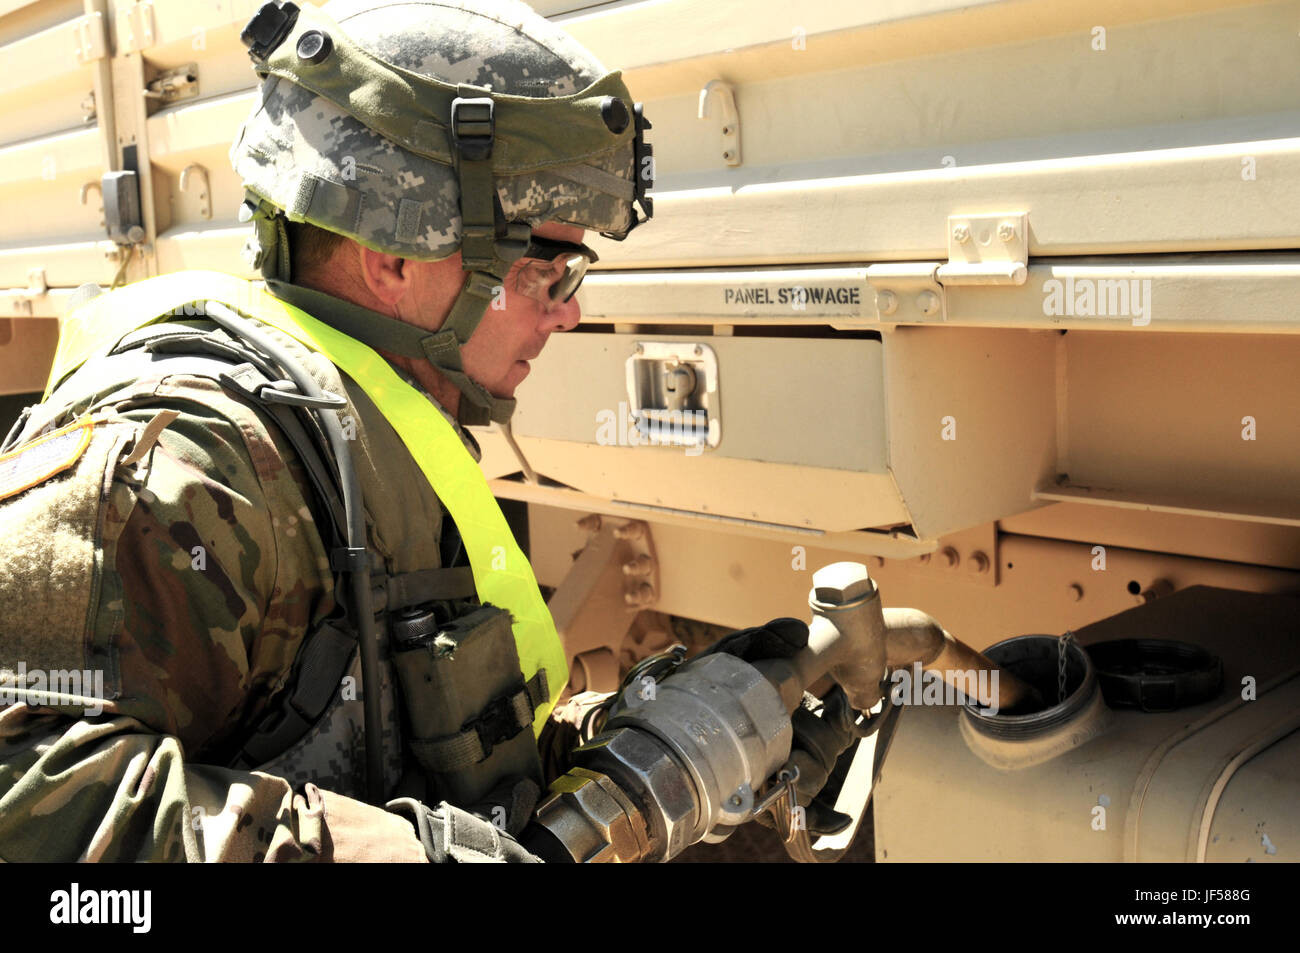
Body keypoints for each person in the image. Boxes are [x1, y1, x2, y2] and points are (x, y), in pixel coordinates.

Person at [0, 0, 852, 863]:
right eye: (545, 271)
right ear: (396, 259)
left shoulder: (376, 435)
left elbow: (431, 775)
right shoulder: (185, 466)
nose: (571, 311)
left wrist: (683, 760)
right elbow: (21, 793)